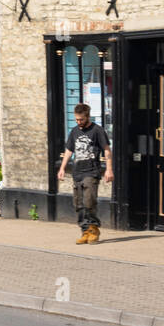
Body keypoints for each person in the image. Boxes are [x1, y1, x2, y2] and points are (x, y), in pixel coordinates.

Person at [57, 103, 113, 244]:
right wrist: (62, 168)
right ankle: (85, 231)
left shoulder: (97, 131)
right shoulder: (75, 131)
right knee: (78, 204)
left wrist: (109, 169)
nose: (78, 122)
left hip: (91, 171)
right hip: (77, 172)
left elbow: (106, 150)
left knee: (89, 201)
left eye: (81, 119)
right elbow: (69, 151)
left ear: (88, 116)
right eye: (76, 119)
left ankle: (94, 229)